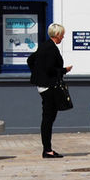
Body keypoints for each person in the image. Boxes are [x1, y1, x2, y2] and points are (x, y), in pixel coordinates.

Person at [27, 22, 72, 158]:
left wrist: (37, 74)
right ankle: (47, 150)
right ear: (57, 35)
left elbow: (30, 60)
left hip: (43, 86)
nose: (63, 37)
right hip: (49, 87)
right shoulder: (51, 49)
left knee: (48, 117)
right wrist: (64, 70)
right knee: (48, 118)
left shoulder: (44, 46)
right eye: (62, 35)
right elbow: (50, 69)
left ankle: (47, 148)